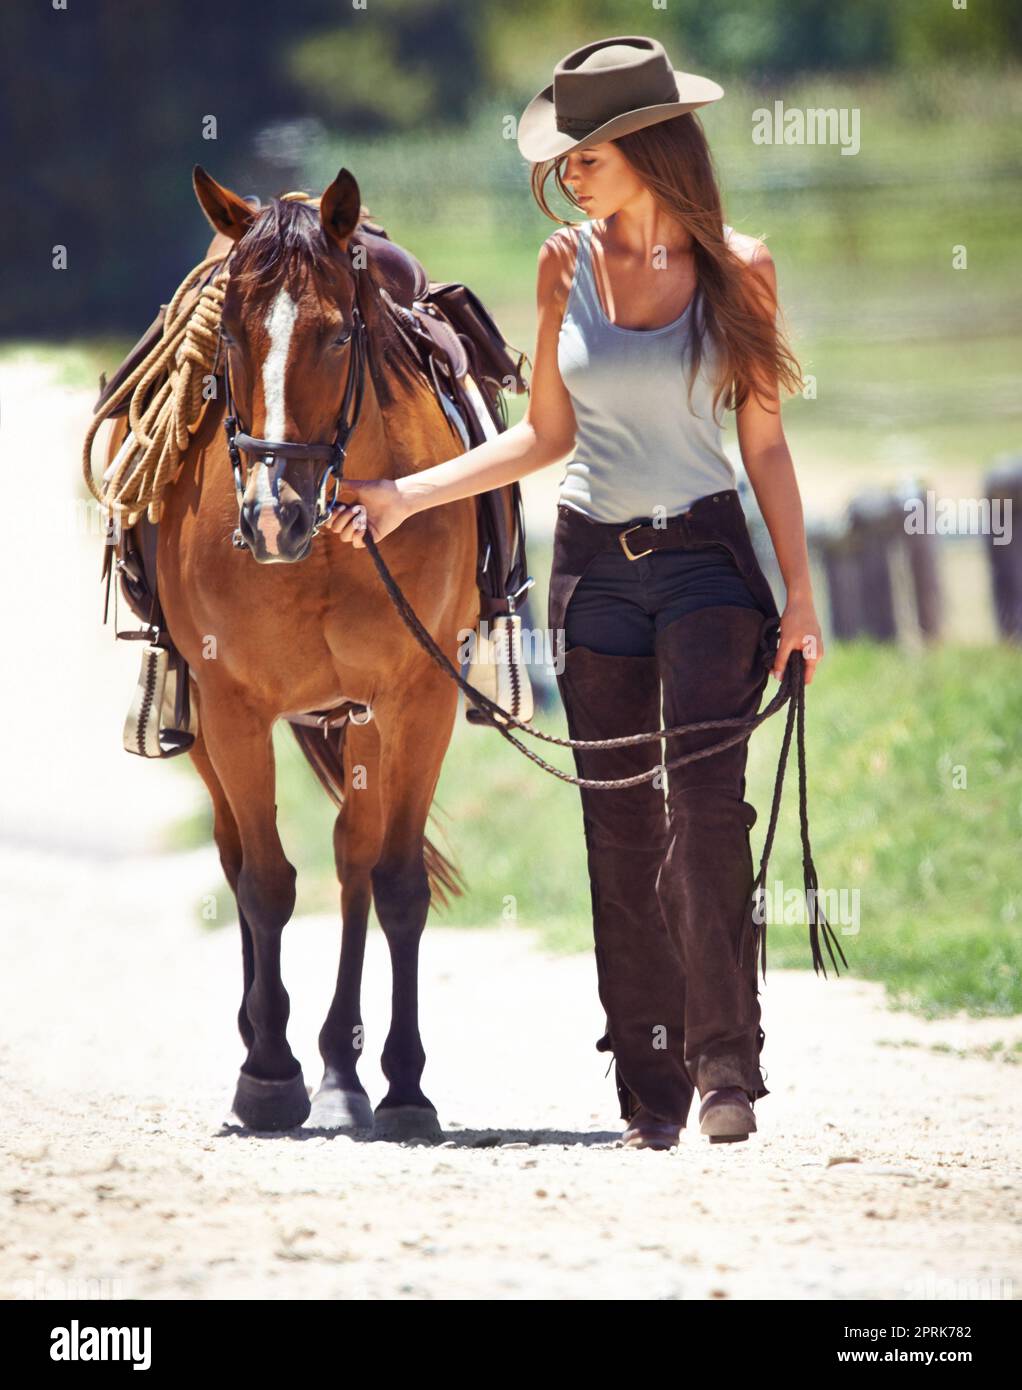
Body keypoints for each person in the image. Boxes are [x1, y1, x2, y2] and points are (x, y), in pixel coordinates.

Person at [325, 35, 825, 1150]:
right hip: (592, 566)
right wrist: (408, 492)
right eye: (564, 162)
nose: (567, 176)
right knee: (615, 823)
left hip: (707, 563)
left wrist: (798, 594)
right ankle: (647, 1084)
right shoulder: (564, 268)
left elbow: (767, 449)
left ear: (641, 146)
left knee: (703, 812)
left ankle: (723, 1068)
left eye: (584, 154)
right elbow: (544, 436)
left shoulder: (744, 268)